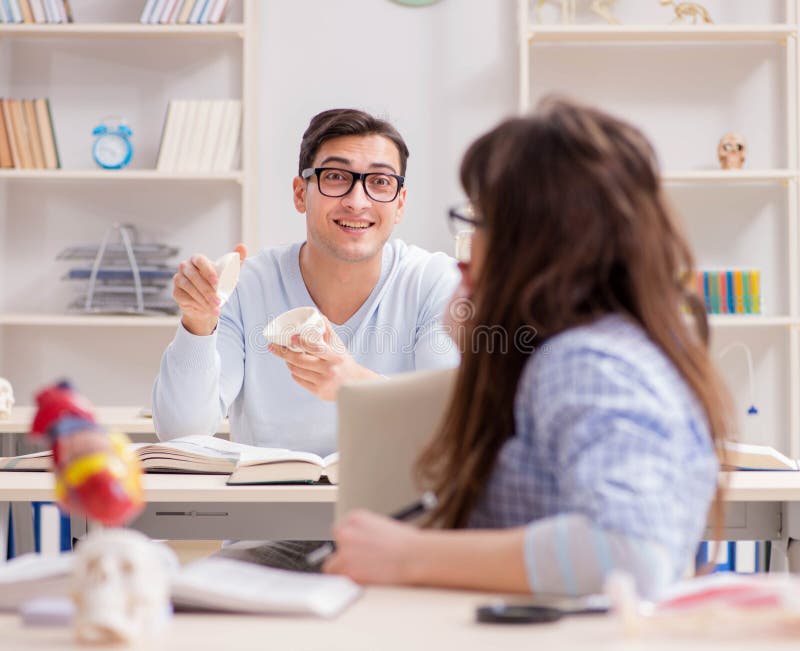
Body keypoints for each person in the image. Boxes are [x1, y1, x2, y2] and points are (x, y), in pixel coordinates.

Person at [323, 97, 732, 599]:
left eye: (483, 220)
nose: (470, 243)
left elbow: (633, 552)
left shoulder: (583, 362)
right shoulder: (592, 347)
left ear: (535, 238)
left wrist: (408, 555)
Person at [152, 108, 459, 455]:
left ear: (399, 204)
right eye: (336, 177)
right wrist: (198, 324)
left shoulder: (437, 283)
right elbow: (181, 432)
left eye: (380, 182)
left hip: (395, 506)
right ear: (300, 193)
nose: (357, 202)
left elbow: (455, 424)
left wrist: (356, 385)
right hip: (269, 506)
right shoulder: (248, 286)